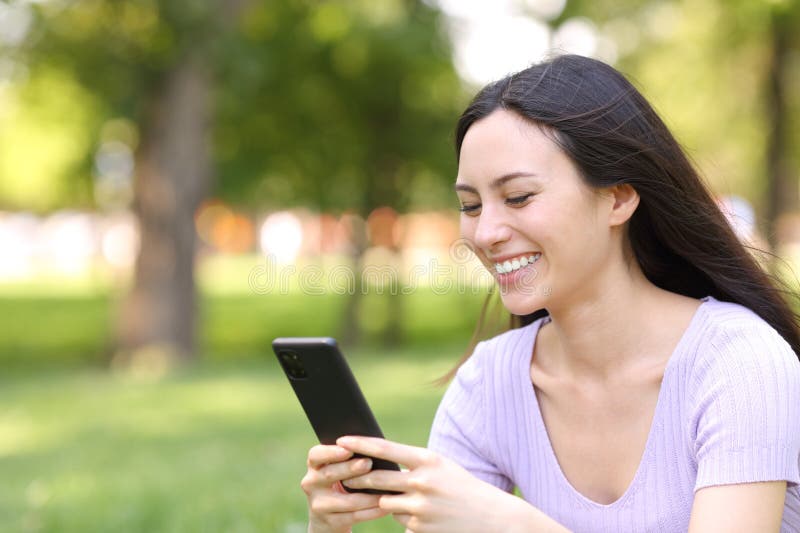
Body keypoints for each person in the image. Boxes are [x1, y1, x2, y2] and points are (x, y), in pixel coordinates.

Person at [300, 54, 800, 532]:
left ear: (618, 198)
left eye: (518, 197)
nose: (487, 232)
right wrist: (330, 529)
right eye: (471, 205)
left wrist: (512, 525)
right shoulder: (491, 384)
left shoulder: (739, 363)